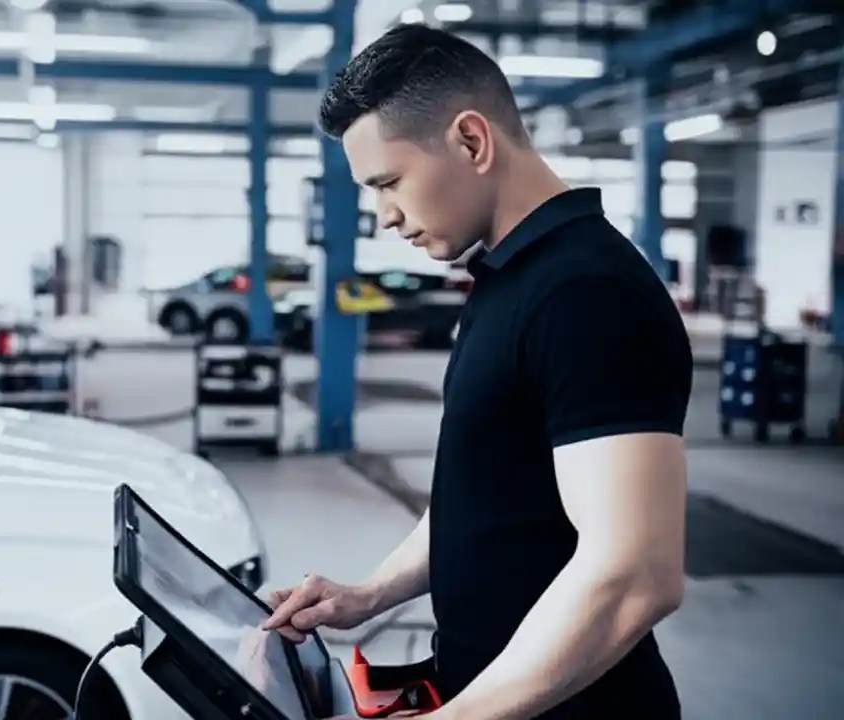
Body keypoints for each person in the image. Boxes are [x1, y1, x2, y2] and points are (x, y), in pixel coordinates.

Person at [263, 23, 692, 720]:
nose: (386, 217)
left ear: (471, 141)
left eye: (389, 182)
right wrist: (368, 594)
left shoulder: (587, 292)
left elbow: (637, 573)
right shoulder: (505, 277)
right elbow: (484, 496)